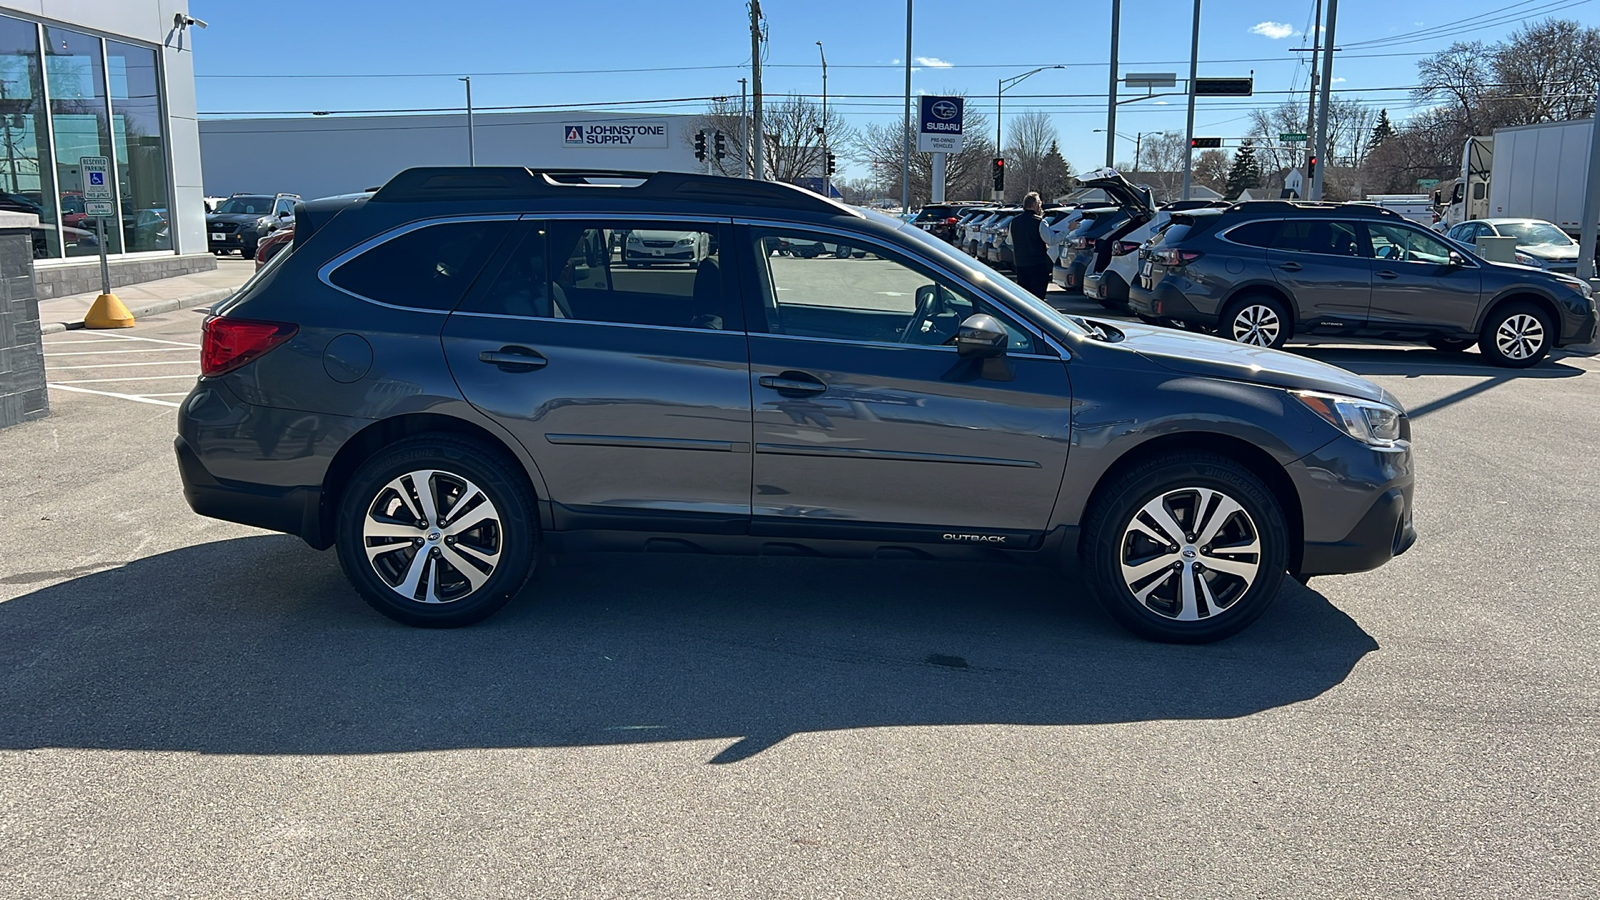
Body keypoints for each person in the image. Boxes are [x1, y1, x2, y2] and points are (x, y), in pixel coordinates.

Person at [1010, 192, 1052, 299]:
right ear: (1034, 204)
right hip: (1038, 265)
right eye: (1039, 203)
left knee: (1025, 298)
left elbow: (1009, 241)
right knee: (1038, 298)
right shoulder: (1039, 222)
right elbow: (1051, 240)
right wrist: (1067, 230)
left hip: (1021, 265)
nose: (1040, 206)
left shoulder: (1014, 222)